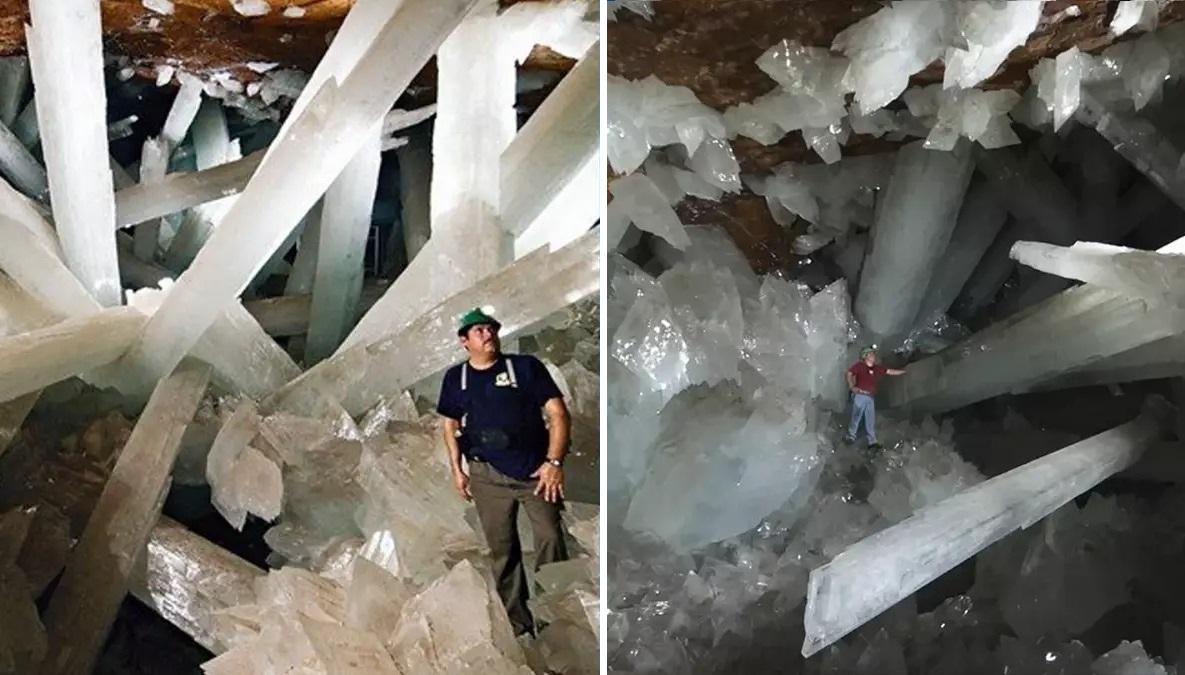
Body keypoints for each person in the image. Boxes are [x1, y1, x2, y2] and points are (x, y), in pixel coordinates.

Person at [436, 307, 571, 637]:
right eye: (479, 331)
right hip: (486, 476)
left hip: (535, 474)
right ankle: (519, 624)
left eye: (491, 328)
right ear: (464, 341)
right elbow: (449, 422)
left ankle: (555, 621)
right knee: (502, 549)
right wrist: (457, 469)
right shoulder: (456, 378)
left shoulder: (524, 368)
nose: (488, 334)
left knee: (551, 539)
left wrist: (554, 464)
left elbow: (557, 413)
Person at [843, 346, 906, 450]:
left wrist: (903, 372)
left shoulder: (876, 369)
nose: (873, 356)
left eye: (873, 354)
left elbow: (889, 371)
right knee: (857, 416)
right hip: (861, 395)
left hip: (870, 397)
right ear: (865, 356)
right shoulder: (860, 366)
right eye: (871, 354)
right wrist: (851, 387)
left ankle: (872, 442)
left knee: (870, 420)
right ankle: (851, 435)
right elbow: (849, 373)